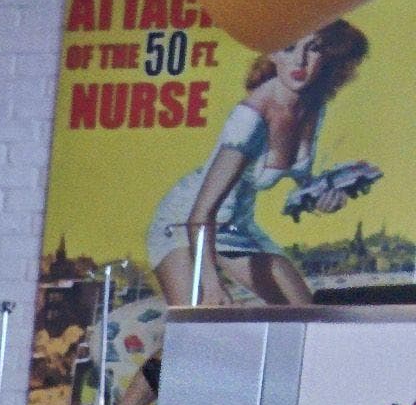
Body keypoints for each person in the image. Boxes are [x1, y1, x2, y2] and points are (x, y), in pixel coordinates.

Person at [149, 21, 369, 310]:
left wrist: (323, 198)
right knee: (198, 320)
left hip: (238, 226)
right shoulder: (250, 119)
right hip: (185, 222)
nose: (299, 61)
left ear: (327, 56)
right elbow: (200, 214)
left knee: (306, 314)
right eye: (289, 48)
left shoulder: (313, 105)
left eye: (313, 49)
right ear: (272, 55)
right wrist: (213, 284)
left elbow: (302, 178)